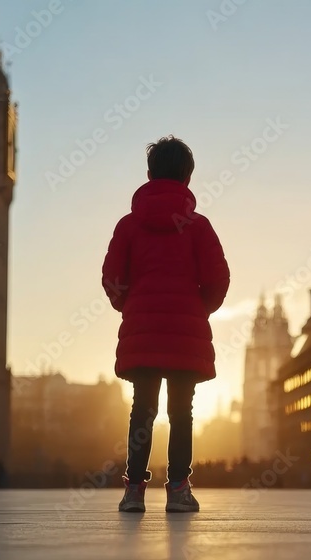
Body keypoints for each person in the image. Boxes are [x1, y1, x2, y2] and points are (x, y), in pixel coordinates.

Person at [102, 135, 231, 513]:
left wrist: (131, 306)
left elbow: (112, 276)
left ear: (148, 175)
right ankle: (177, 488)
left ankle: (134, 491)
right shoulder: (198, 226)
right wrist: (199, 308)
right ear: (188, 179)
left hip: (141, 331)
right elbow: (219, 278)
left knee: (142, 409)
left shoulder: (128, 225)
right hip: (185, 335)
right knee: (181, 411)